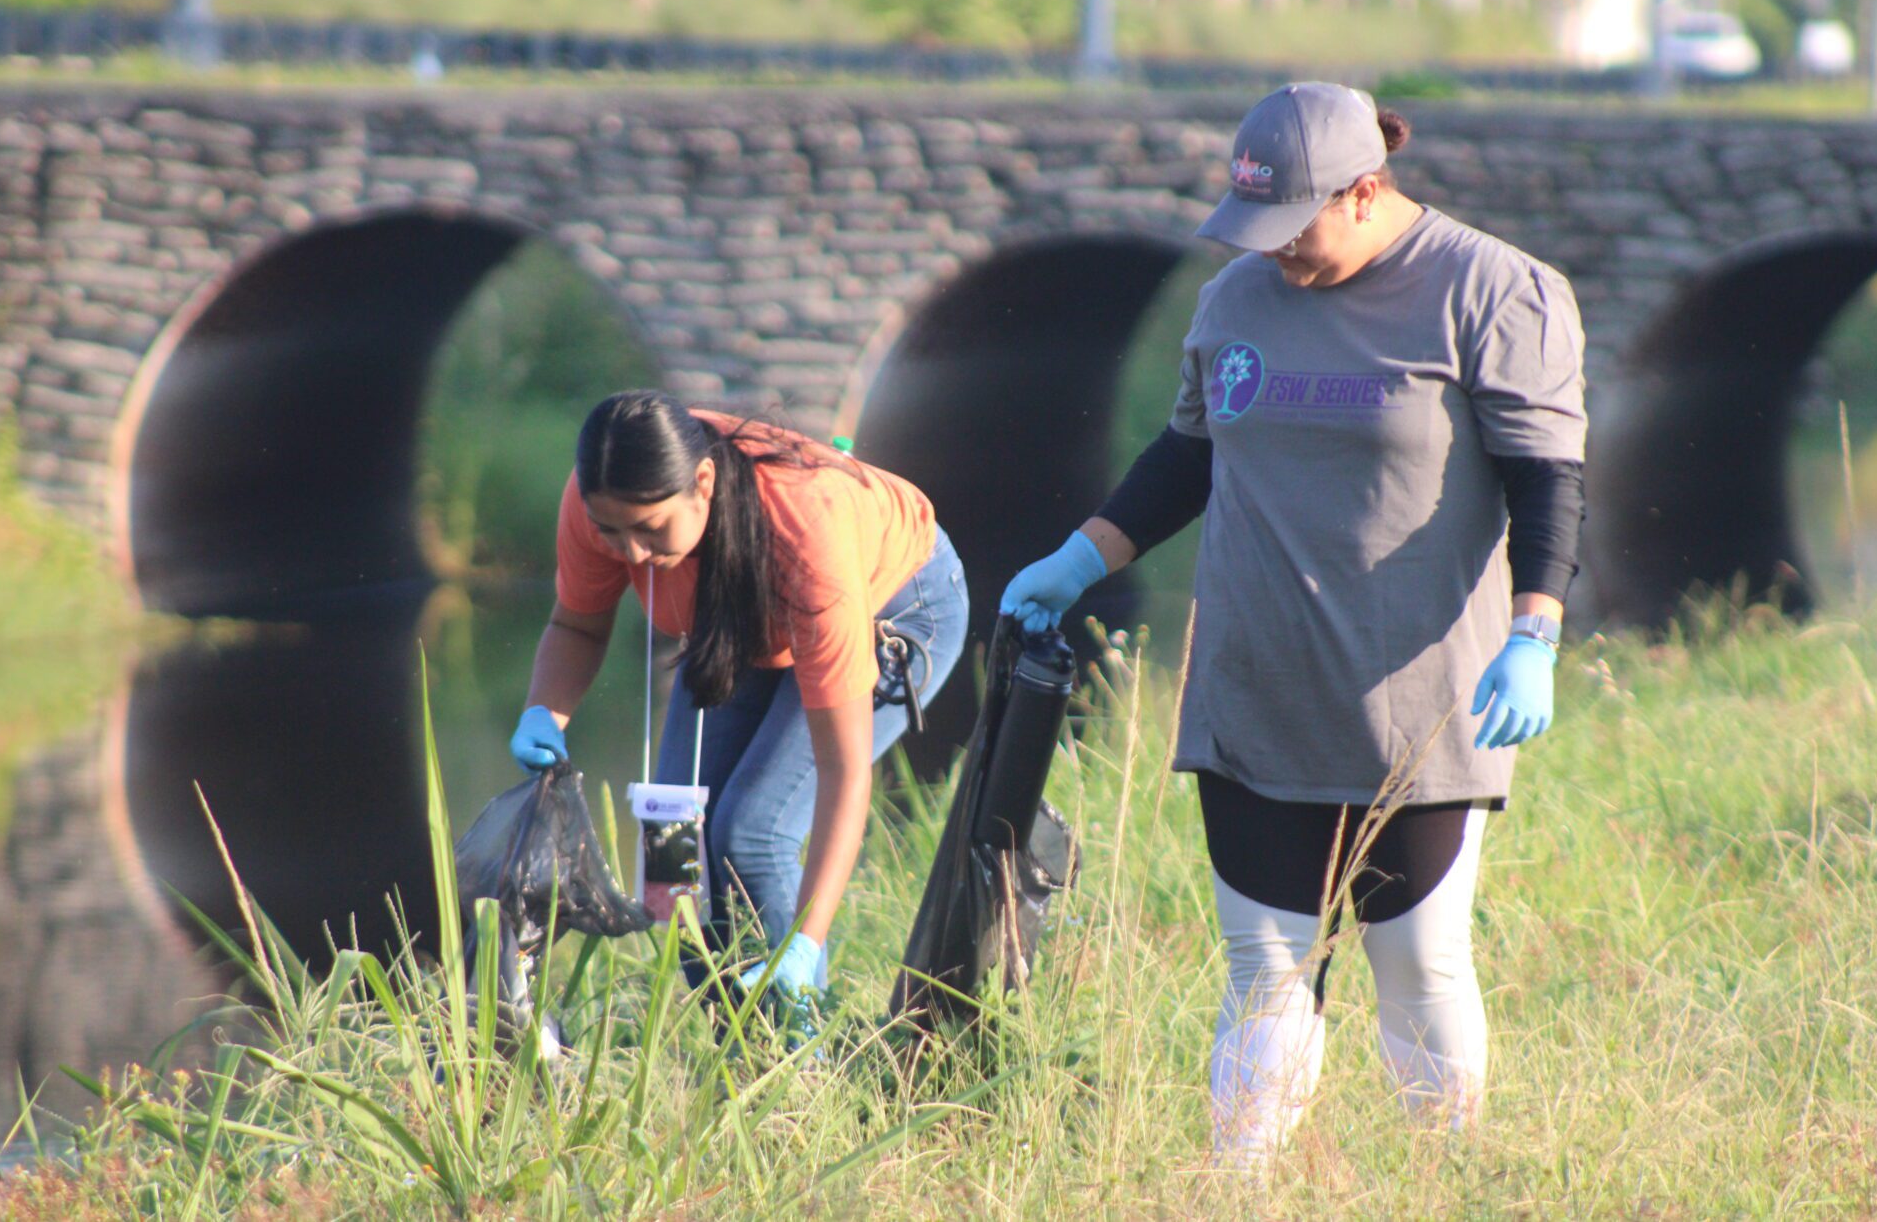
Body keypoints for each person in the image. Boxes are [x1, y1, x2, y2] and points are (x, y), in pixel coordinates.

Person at [1002, 83, 1585, 1165]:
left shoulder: (1493, 290)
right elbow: (1187, 456)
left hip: (1411, 705)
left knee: (1416, 963)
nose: (1272, 253)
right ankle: (1240, 1183)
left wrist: (1534, 630)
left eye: (1294, 227)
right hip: (1251, 690)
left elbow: (1546, 479)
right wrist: (1082, 558)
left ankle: (1441, 1180)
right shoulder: (1233, 298)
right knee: (1261, 964)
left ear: (1364, 192)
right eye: (1252, 229)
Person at [510, 390, 969, 1020]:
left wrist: (803, 942)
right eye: (611, 532)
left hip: (897, 602)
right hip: (743, 616)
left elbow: (841, 772)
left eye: (648, 529)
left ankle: (799, 1068)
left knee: (752, 832)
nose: (632, 554)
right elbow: (578, 627)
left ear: (702, 482)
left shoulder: (808, 538)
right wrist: (544, 713)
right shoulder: (601, 500)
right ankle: (736, 1058)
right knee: (676, 855)